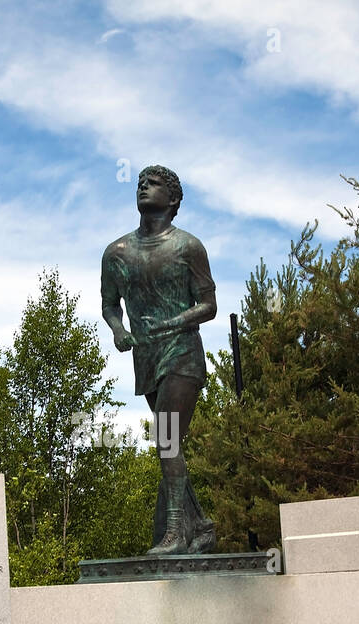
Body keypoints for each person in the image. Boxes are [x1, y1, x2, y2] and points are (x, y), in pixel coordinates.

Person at [100, 165, 218, 555]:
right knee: (172, 442)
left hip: (183, 353)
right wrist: (119, 331)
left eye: (153, 184)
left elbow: (209, 305)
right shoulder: (116, 253)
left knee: (166, 440)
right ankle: (200, 525)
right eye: (140, 183)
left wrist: (173, 322)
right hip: (146, 359)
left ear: (174, 199)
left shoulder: (188, 247)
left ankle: (174, 534)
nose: (143, 187)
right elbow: (109, 305)